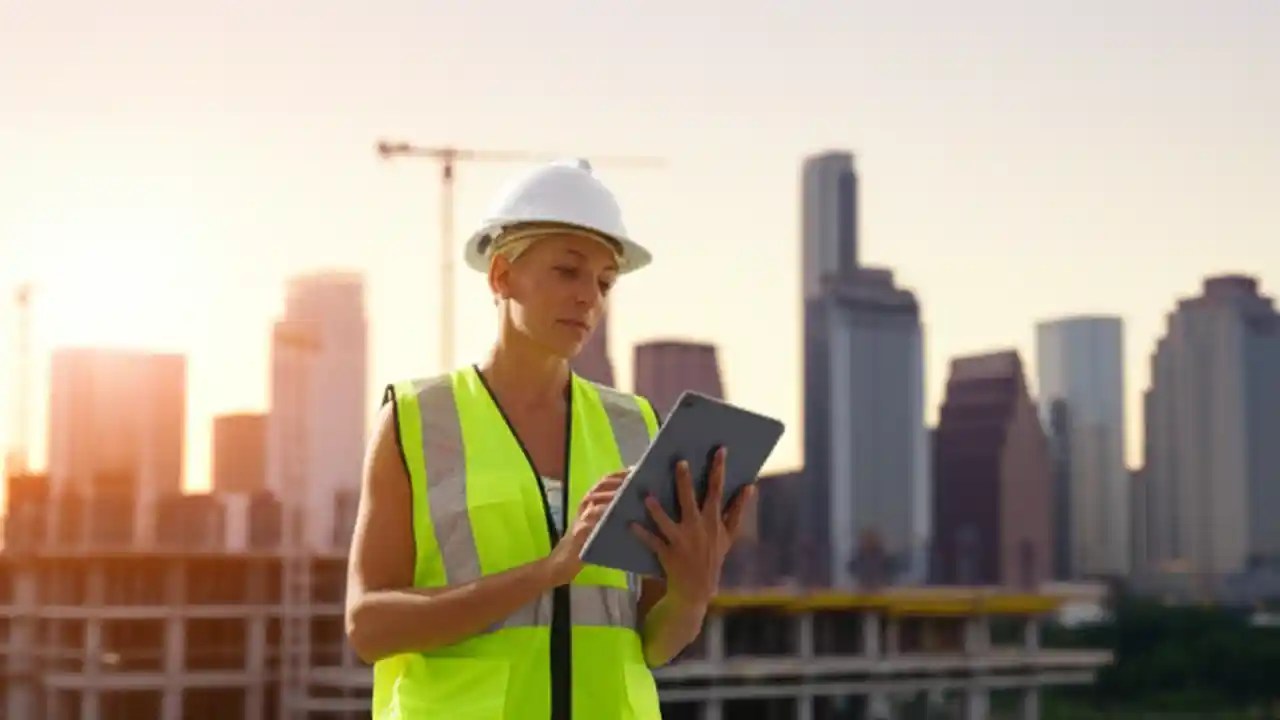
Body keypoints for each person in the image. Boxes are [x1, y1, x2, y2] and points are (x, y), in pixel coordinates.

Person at [344, 158, 756, 719]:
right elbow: (368, 627)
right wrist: (545, 574)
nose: (590, 297)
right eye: (568, 271)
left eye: (604, 282)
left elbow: (653, 644)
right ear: (501, 276)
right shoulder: (417, 419)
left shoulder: (635, 425)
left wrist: (693, 590)